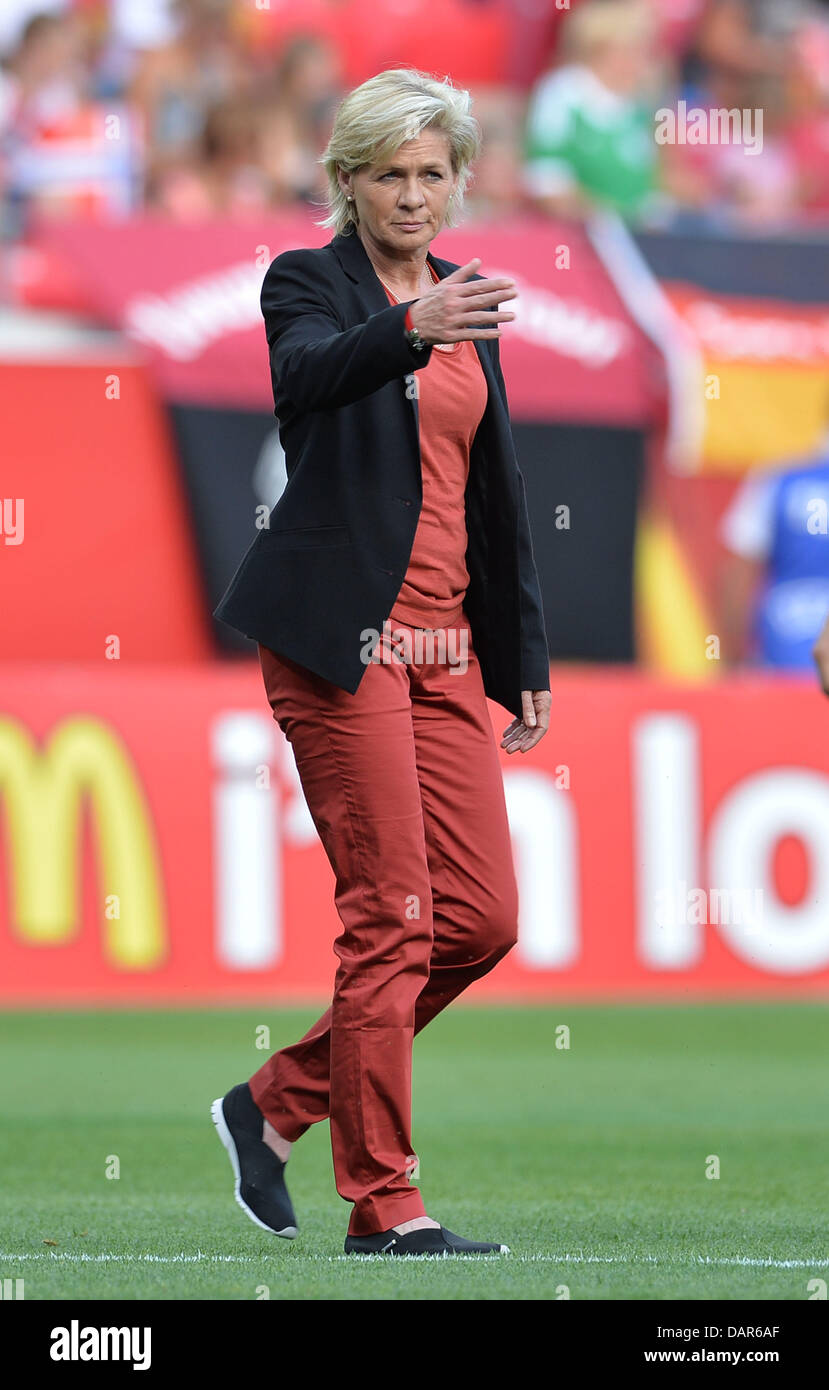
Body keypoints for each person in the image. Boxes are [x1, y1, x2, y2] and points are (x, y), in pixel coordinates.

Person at [210, 67, 551, 1257]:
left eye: (431, 173)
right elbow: (306, 375)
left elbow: (492, 494)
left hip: (449, 653)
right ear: (345, 182)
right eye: (388, 173)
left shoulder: (466, 298)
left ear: (458, 180)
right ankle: (384, 1204)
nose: (412, 194)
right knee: (390, 919)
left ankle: (276, 1103)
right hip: (342, 642)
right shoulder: (308, 284)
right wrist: (409, 328)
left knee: (480, 918)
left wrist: (522, 654)